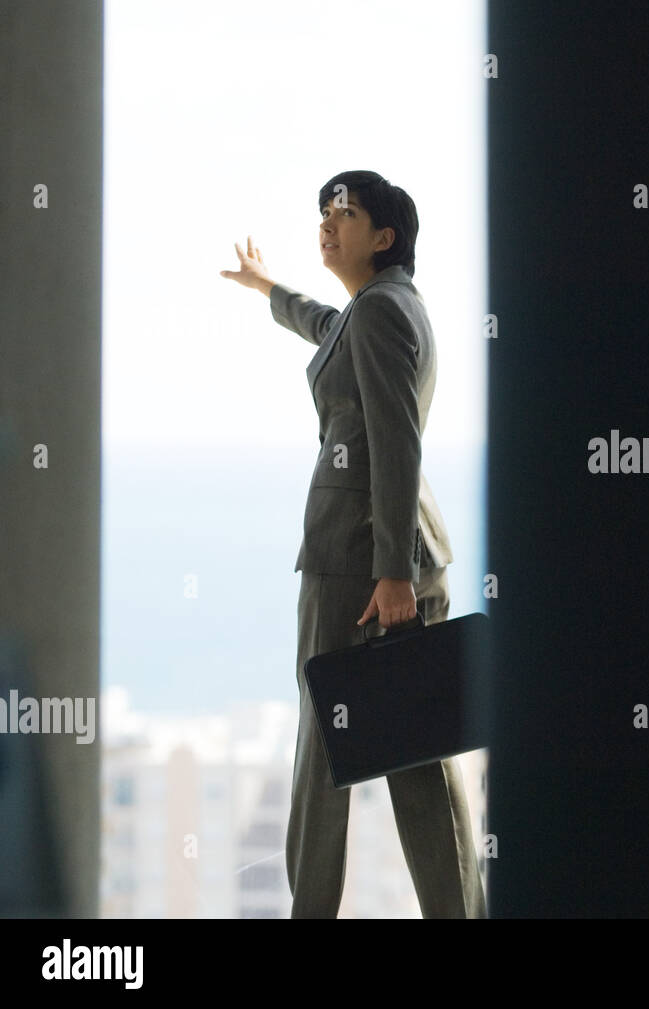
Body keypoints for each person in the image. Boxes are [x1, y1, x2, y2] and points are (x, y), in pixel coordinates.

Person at [220, 170, 486, 918]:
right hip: (391, 555)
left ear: (384, 236)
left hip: (358, 560)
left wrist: (391, 573)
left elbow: (396, 441)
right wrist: (266, 286)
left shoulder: (377, 315)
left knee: (325, 747)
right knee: (418, 751)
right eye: (323, 212)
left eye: (345, 212)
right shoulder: (385, 307)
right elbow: (320, 323)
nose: (327, 222)